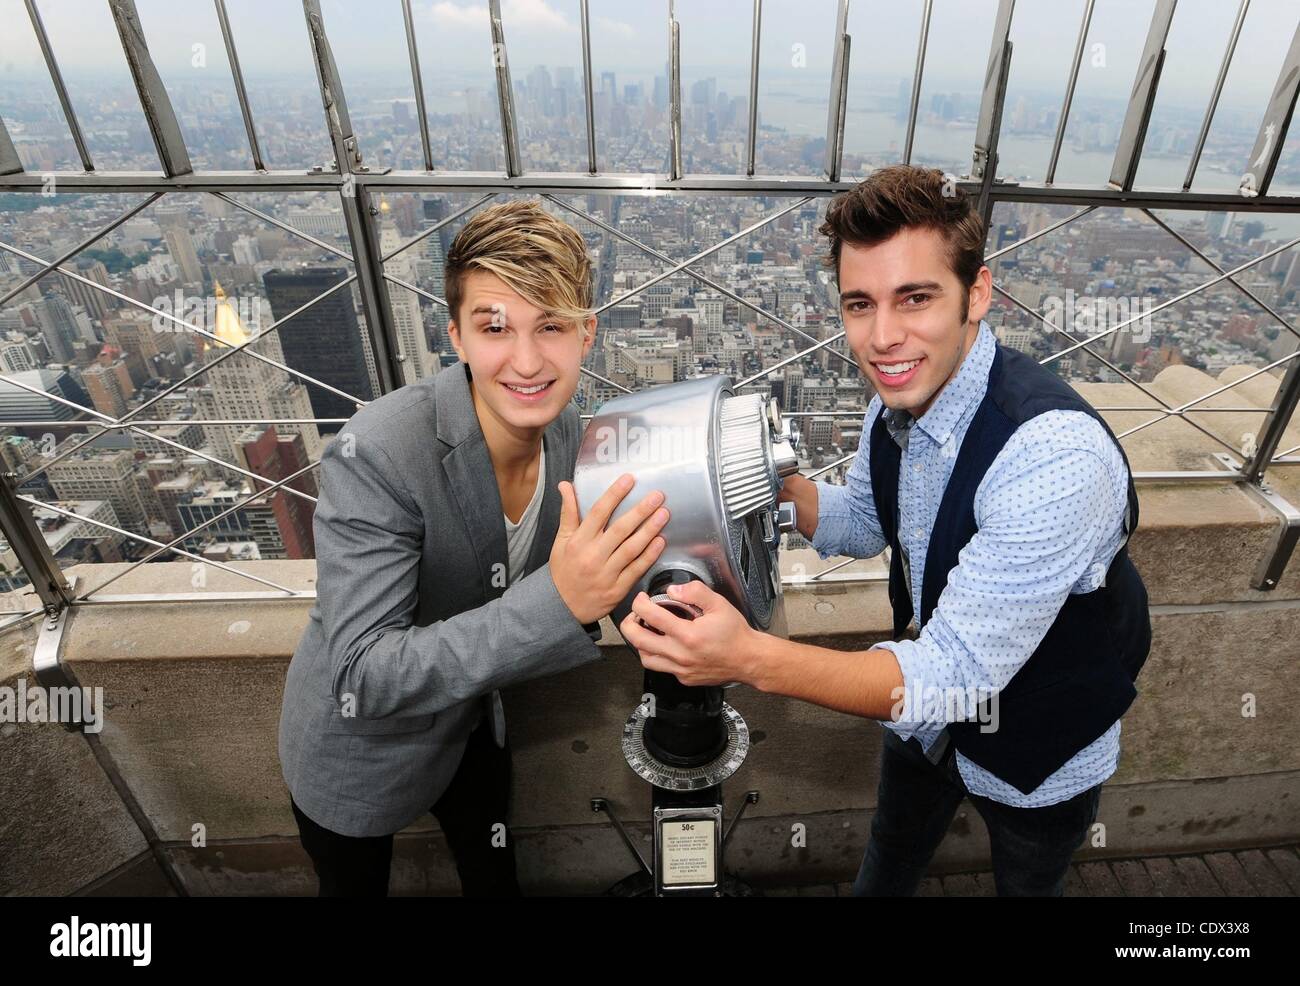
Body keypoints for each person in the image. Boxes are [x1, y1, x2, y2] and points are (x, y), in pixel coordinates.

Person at [618, 165, 1152, 897]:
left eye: (916, 298)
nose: (883, 337)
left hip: (1040, 744)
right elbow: (870, 525)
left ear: (979, 294)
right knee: (887, 866)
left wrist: (747, 656)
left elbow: (955, 675)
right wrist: (775, 490)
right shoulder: (893, 405)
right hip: (923, 725)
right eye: (860, 304)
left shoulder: (1053, 456)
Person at [279, 199, 669, 896]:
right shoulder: (379, 453)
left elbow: (593, 561)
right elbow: (363, 676)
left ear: (588, 335)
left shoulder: (563, 427)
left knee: (495, 873)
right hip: (357, 748)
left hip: (472, 724)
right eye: (495, 327)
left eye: (550, 324)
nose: (526, 361)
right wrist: (560, 601)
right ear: (455, 335)